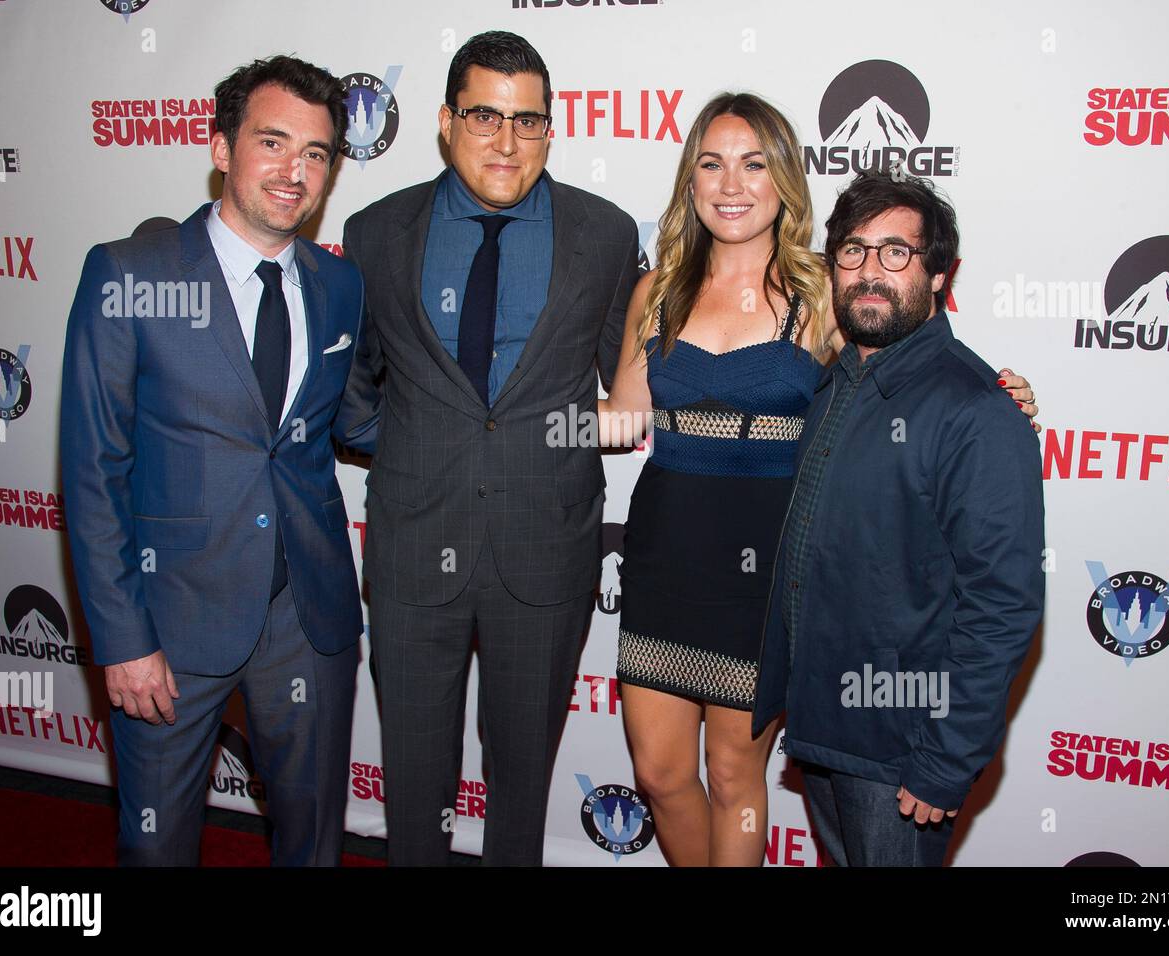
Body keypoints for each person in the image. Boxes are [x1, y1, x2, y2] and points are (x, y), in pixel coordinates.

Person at [599, 95, 1040, 866]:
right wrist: (509, 406)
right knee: (660, 775)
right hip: (663, 561)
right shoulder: (655, 292)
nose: (730, 183)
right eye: (711, 162)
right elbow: (624, 417)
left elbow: (905, 360)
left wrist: (1003, 395)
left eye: (753, 163)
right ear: (690, 180)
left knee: (736, 774)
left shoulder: (822, 296)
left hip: (763, 579)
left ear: (784, 181)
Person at [333, 31, 640, 866]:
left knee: (522, 785)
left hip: (546, 551)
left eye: (528, 122)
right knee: (414, 777)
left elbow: (636, 374)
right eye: (485, 116)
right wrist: (409, 451)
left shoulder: (605, 236)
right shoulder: (376, 231)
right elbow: (354, 383)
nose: (507, 142)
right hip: (411, 545)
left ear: (550, 128)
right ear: (444, 120)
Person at [61, 56, 363, 866]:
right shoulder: (129, 274)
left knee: (312, 843)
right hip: (171, 620)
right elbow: (94, 471)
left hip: (308, 616)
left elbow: (353, 422)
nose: (294, 171)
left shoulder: (339, 288)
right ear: (221, 148)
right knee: (156, 846)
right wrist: (122, 639)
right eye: (272, 143)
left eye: (315, 153)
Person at [751, 169, 1046, 867]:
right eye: (853, 251)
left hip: (901, 753)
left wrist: (946, 760)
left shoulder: (977, 412)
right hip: (826, 730)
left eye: (896, 253)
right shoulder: (832, 383)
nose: (870, 271)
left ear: (940, 275)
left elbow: (1001, 606)